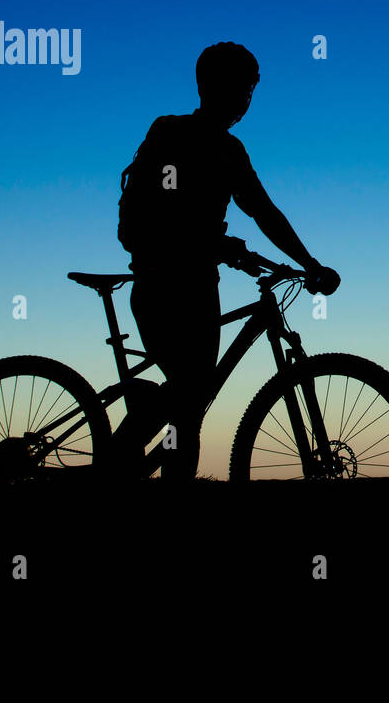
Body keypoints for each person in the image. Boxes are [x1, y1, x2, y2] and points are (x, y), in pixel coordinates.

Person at [116, 41, 338, 480]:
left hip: (200, 286)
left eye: (251, 89)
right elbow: (165, 209)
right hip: (162, 282)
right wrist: (222, 246)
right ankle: (116, 458)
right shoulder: (171, 134)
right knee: (190, 393)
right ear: (209, 86)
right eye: (241, 86)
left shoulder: (231, 151)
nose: (245, 99)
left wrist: (309, 263)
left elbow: (263, 210)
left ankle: (143, 467)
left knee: (190, 406)